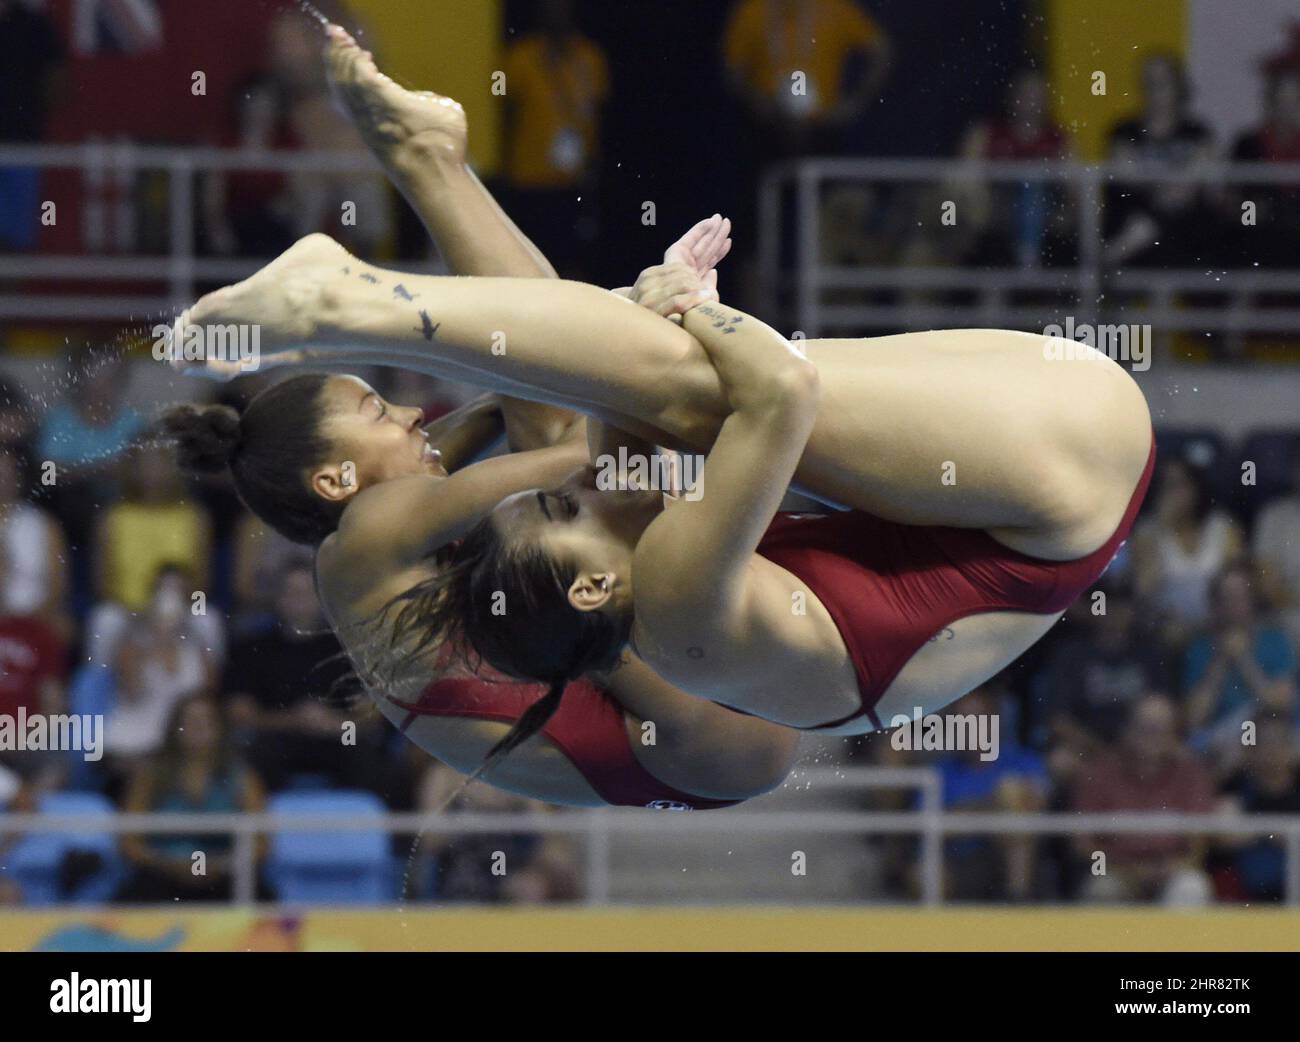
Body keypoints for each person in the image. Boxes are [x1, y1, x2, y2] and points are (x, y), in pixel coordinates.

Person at [170, 28, 1154, 777]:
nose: (582, 484)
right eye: (558, 513)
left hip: (1059, 477)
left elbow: (609, 431)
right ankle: (349, 305)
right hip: (1060, 475)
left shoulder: (643, 582)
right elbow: (763, 394)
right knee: (679, 395)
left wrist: (671, 315)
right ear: (594, 587)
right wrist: (688, 310)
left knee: (635, 399)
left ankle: (422, 177)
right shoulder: (660, 591)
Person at [160, 27, 799, 812]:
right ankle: (424, 176)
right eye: (375, 409)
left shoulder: (378, 539)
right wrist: (635, 332)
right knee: (570, 438)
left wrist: (625, 320)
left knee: (559, 418)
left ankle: (429, 166)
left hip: (680, 739)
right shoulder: (366, 537)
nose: (406, 412)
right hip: (690, 734)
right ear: (334, 477)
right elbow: (561, 461)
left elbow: (514, 394)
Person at [115, 695, 271, 904]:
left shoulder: (243, 778)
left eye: (206, 721)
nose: (198, 728)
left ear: (220, 728)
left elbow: (261, 843)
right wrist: (166, 864)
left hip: (224, 875)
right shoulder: (149, 777)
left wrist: (222, 864)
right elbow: (129, 842)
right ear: (175, 728)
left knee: (263, 900)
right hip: (162, 874)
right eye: (190, 721)